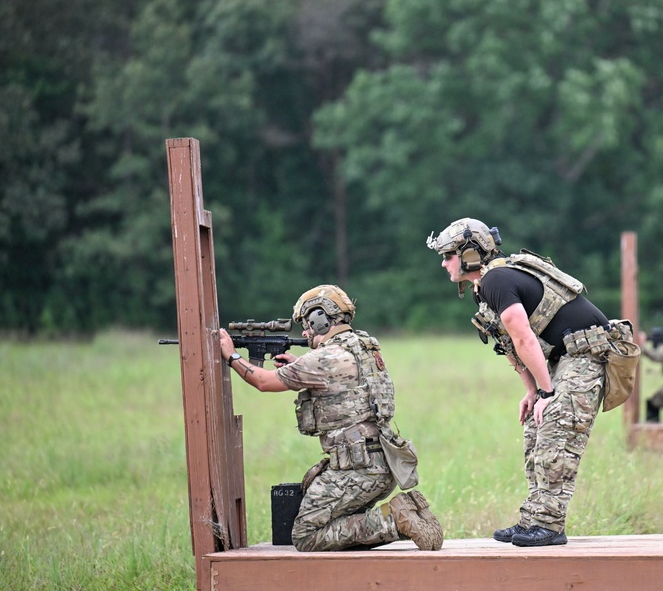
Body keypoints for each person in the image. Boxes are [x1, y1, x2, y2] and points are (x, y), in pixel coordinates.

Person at [426, 218, 633, 547]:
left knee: (554, 424)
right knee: (534, 428)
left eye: (448, 255)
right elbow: (510, 345)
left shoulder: (496, 279)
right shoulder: (486, 288)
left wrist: (547, 392)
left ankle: (549, 526)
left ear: (468, 255)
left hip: (587, 354)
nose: (443, 262)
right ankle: (534, 518)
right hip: (564, 358)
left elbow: (523, 337)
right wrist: (532, 391)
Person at [217, 284, 443, 552]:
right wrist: (298, 364)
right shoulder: (362, 347)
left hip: (355, 469)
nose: (304, 331)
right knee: (340, 525)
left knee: (305, 535)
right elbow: (339, 383)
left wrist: (231, 355)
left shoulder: (322, 358)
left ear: (320, 318)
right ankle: (402, 514)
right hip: (381, 465)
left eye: (307, 324)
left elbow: (264, 382)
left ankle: (395, 518)